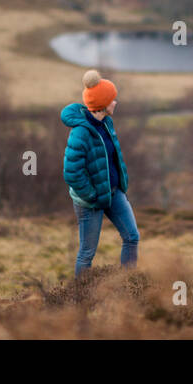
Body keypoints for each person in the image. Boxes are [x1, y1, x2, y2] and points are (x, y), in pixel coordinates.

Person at [62, 69, 138, 276]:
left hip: (114, 192)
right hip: (90, 201)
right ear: (102, 104)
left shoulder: (106, 122)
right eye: (112, 99)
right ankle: (80, 298)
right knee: (87, 254)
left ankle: (130, 286)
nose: (116, 103)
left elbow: (113, 157)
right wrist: (91, 195)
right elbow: (71, 173)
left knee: (132, 237)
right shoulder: (80, 133)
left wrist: (121, 184)